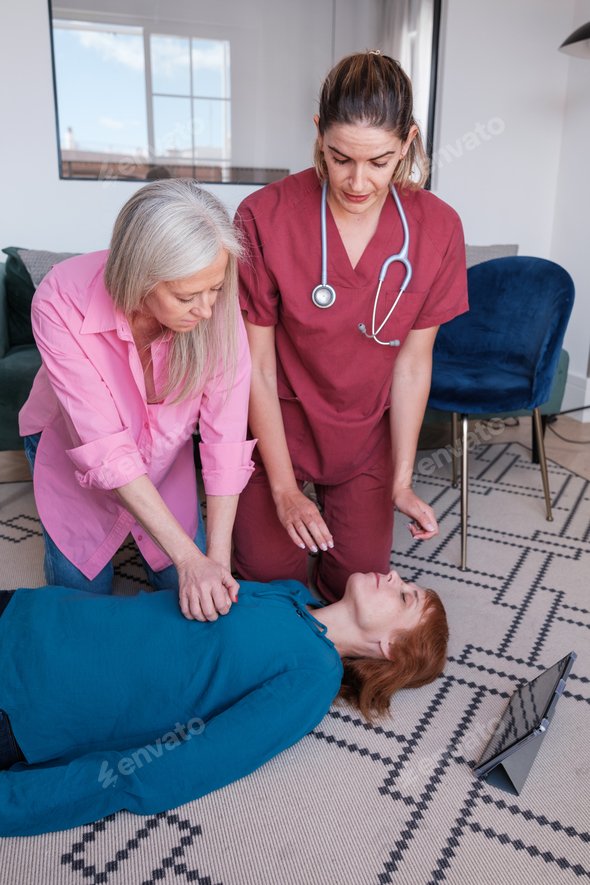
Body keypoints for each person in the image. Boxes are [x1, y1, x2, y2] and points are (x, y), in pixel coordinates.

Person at [232, 52, 468, 601]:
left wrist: (402, 482)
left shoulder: (438, 229)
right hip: (277, 427)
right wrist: (285, 490)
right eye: (340, 158)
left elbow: (412, 366)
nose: (358, 182)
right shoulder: (263, 216)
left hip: (364, 436)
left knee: (354, 587)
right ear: (319, 135)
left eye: (379, 162)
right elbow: (256, 367)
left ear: (407, 143)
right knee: (269, 583)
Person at [0, 569, 448, 836]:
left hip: (26, 701)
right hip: (30, 613)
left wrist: (18, 802)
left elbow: (190, 763)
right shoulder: (289, 592)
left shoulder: (314, 677)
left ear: (390, 647)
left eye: (404, 595)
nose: (394, 575)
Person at [19, 180, 256, 620]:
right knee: (79, 606)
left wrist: (214, 560)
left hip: (165, 450)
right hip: (73, 453)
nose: (208, 310)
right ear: (140, 277)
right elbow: (106, 451)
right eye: (186, 297)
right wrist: (188, 559)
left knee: (194, 591)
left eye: (216, 289)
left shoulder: (212, 298)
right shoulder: (61, 298)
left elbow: (225, 437)